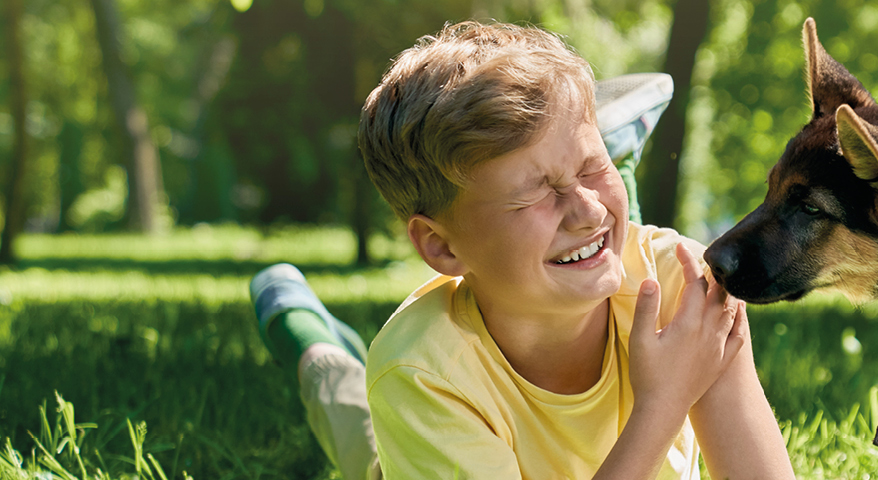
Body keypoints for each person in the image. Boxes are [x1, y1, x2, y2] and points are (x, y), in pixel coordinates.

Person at [249, 20, 794, 479]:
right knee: (353, 428)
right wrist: (662, 403)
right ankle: (306, 334)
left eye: (592, 166)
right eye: (534, 193)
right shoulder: (422, 374)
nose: (588, 210)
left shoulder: (683, 287)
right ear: (441, 246)